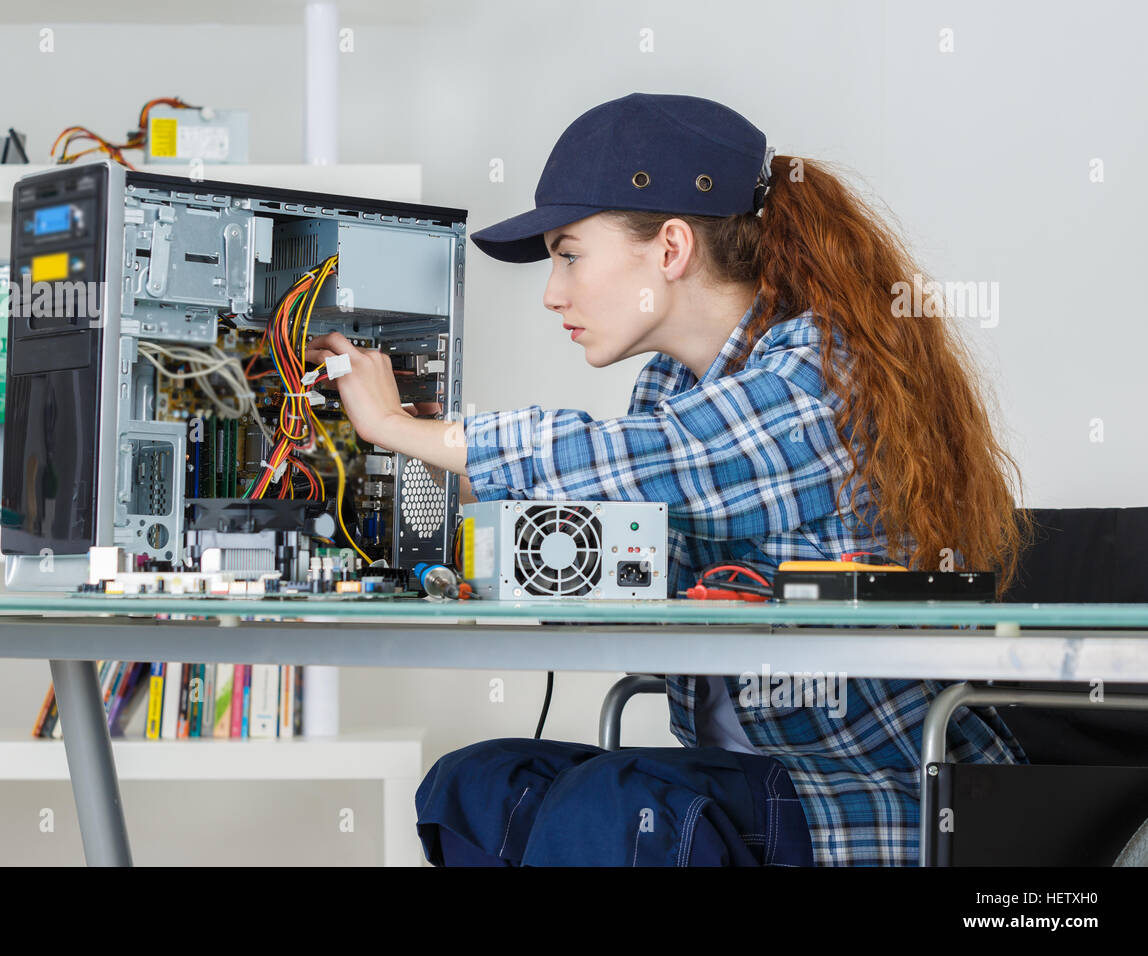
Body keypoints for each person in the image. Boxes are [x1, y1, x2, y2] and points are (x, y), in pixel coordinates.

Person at [305, 92, 1035, 866]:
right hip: (745, 791)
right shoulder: (668, 388)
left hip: (873, 798)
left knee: (616, 806)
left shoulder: (824, 372)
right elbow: (619, 528)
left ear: (671, 248)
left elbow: (662, 460)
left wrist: (401, 427)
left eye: (568, 252)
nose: (554, 292)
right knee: (476, 784)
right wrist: (425, 486)